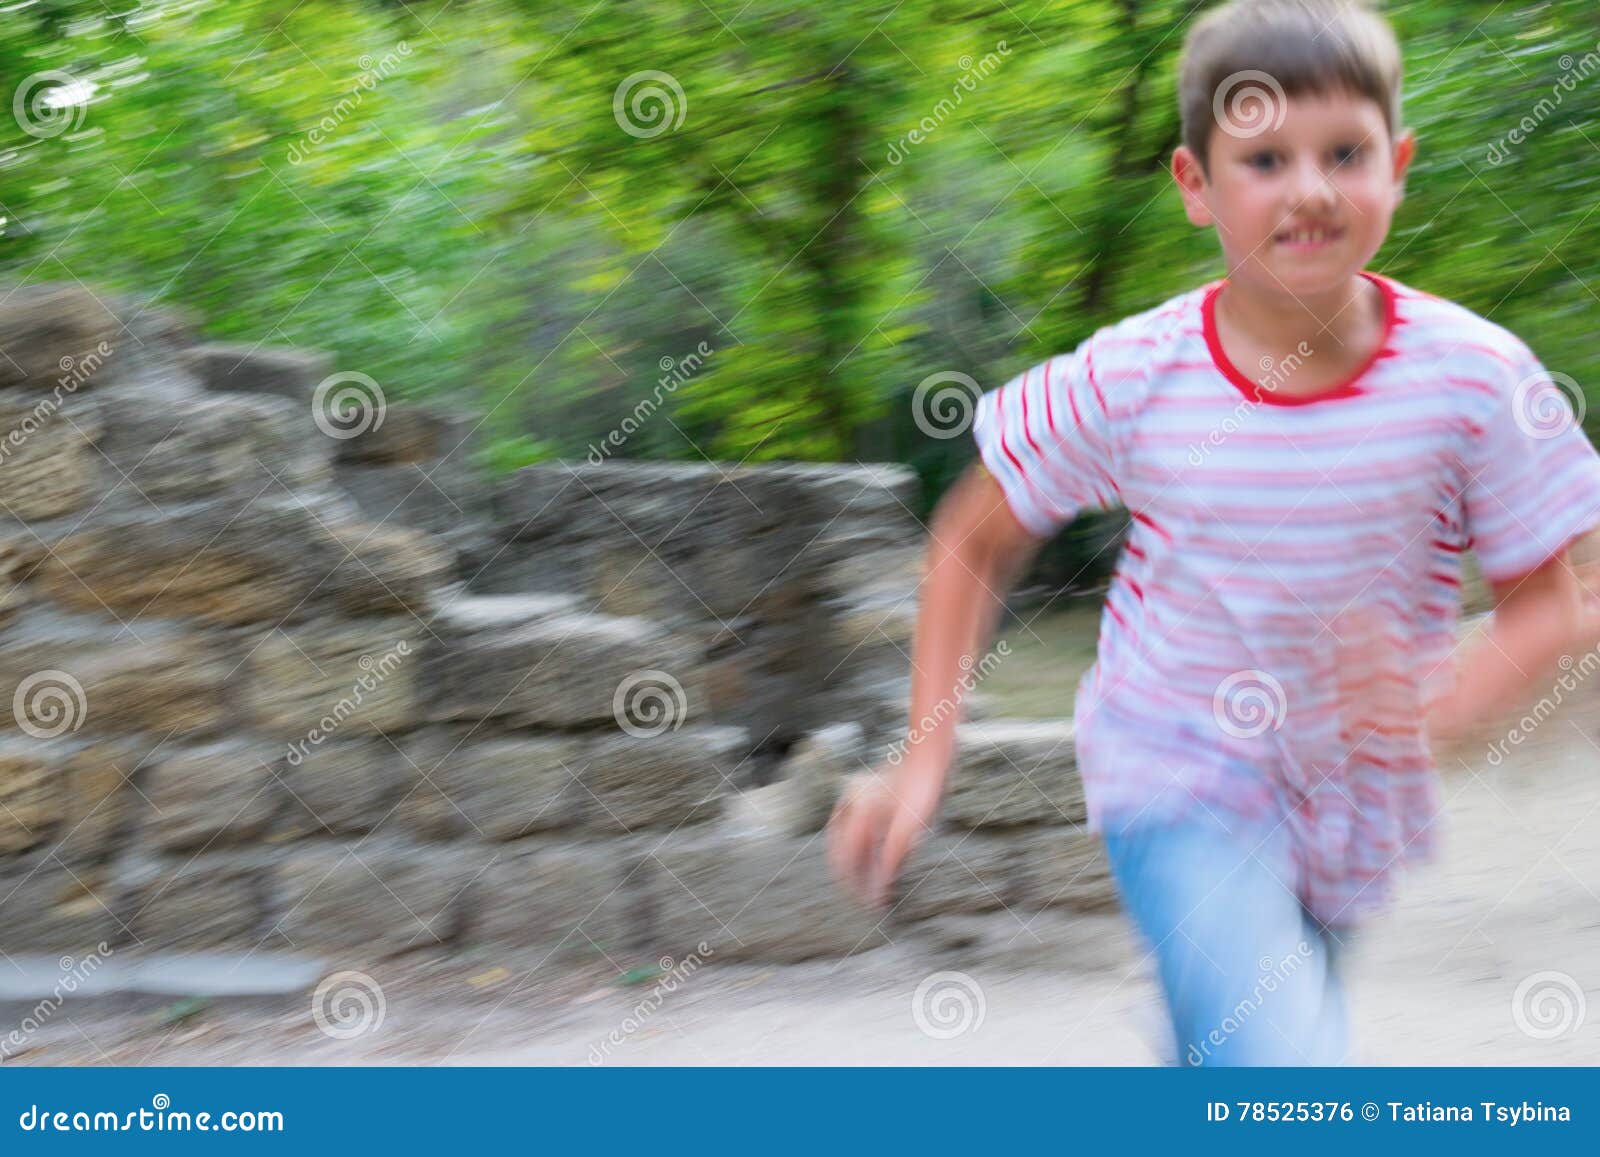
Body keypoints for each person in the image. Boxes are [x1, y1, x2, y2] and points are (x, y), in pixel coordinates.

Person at [826, 0, 1600, 1065]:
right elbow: (972, 538)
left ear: (1398, 164)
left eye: (1344, 153)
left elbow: (1550, 604)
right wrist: (922, 762)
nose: (1311, 189)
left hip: (1349, 806)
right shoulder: (1136, 377)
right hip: (1175, 769)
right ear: (1196, 184)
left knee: (1238, 1061)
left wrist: (1443, 705)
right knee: (1283, 1070)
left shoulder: (1474, 379)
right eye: (1265, 159)